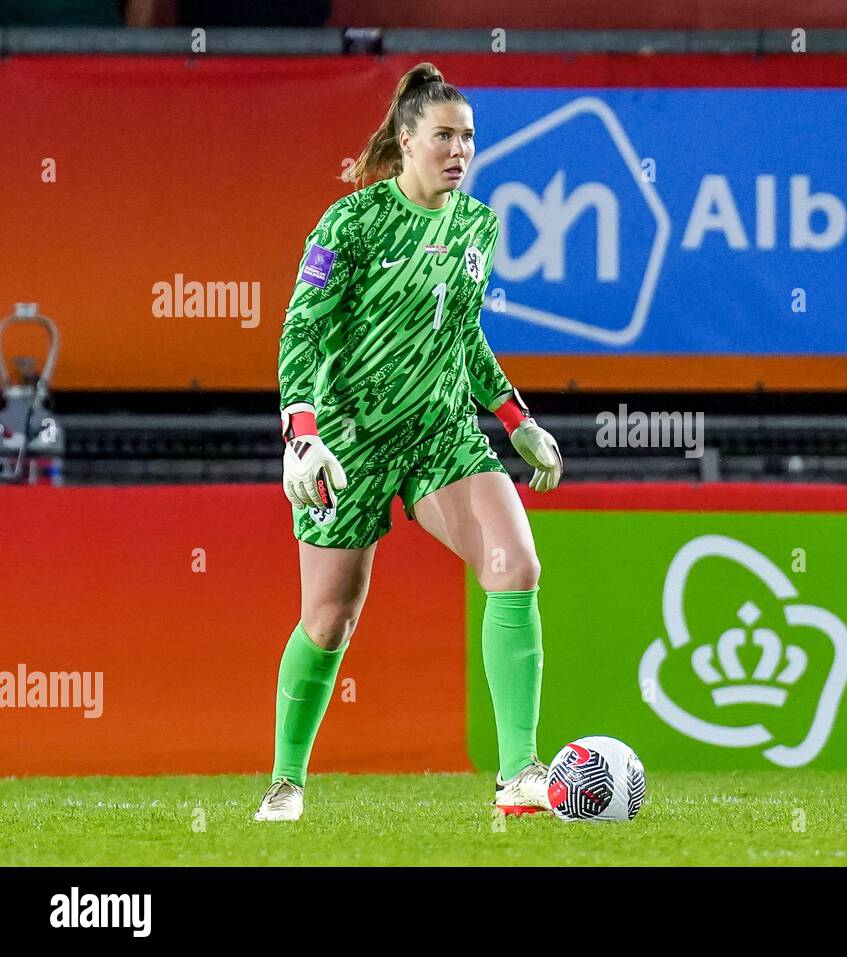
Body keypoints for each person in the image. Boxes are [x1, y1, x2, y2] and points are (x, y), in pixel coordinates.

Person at [255, 62, 564, 822]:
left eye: (469, 138)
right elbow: (303, 330)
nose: (459, 151)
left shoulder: (478, 225)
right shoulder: (350, 223)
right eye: (444, 136)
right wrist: (302, 435)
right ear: (406, 140)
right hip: (347, 441)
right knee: (330, 619)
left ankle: (519, 771)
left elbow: (462, 333)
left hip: (440, 432)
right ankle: (287, 780)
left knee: (516, 564)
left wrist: (516, 416)